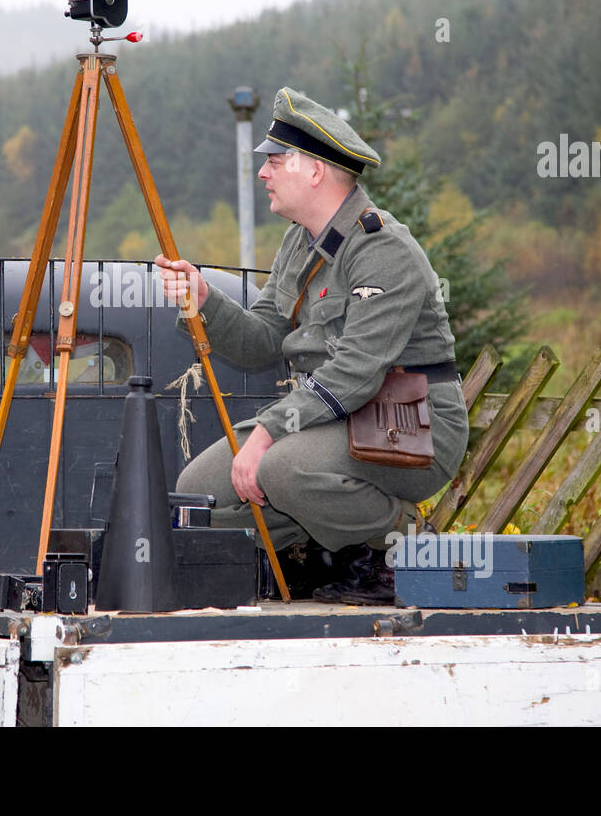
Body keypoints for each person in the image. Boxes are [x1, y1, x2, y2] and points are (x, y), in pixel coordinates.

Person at [156, 87, 469, 604]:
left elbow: (356, 372)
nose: (263, 173)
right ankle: (316, 556)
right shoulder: (301, 242)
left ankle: (400, 547)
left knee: (281, 466)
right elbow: (260, 341)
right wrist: (205, 299)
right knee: (198, 494)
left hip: (410, 428)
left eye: (275, 161)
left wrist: (267, 433)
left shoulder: (382, 249)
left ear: (316, 171)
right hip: (334, 422)